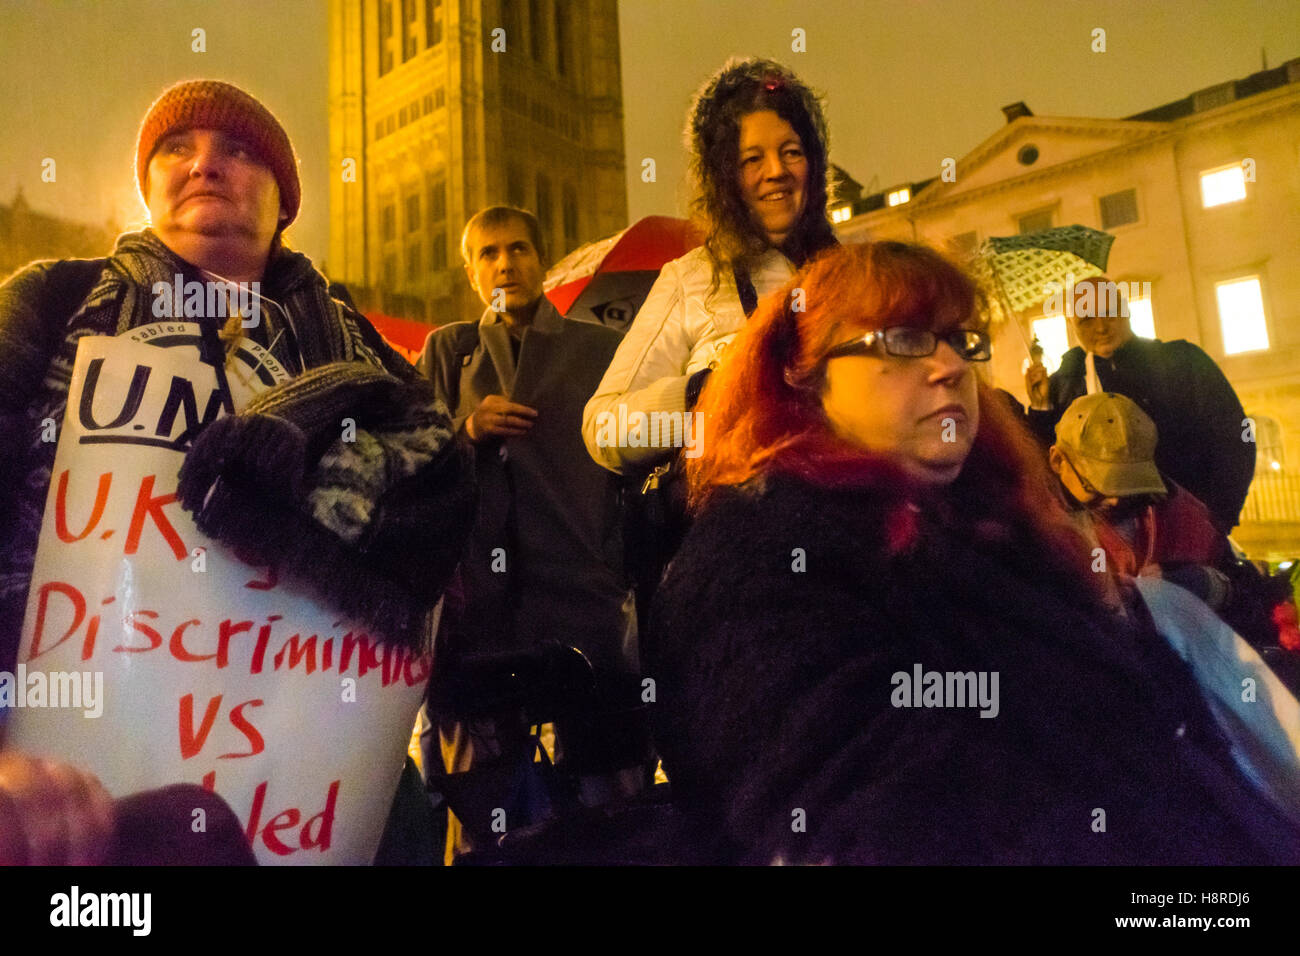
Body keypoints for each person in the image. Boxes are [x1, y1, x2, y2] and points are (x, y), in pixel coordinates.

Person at [645, 240, 1300, 865]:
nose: (952, 365)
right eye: (904, 340)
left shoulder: (989, 525)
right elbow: (884, 821)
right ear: (806, 377)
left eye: (961, 340)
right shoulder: (763, 560)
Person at [0, 79, 473, 863]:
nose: (206, 164)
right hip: (69, 789)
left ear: (284, 199)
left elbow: (441, 576)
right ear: (146, 186)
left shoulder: (373, 362)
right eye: (176, 148)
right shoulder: (51, 301)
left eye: (240, 150)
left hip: (334, 792)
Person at [418, 206, 645, 863]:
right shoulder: (449, 352)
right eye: (488, 253)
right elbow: (415, 465)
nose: (505, 263)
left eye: (519, 248)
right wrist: (466, 430)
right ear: (470, 271)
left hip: (586, 607)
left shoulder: (601, 350)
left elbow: (629, 469)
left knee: (614, 805)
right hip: (483, 622)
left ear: (541, 260)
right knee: (494, 825)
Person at [582, 57, 838, 476]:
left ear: (814, 163)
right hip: (742, 526)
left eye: (791, 152)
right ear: (724, 179)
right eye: (752, 159)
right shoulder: (690, 279)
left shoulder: (859, 274)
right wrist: (705, 395)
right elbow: (604, 429)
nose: (776, 172)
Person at [1024, 276, 1253, 533]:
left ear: (1126, 310)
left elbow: (1236, 438)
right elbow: (1049, 462)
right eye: (1087, 319)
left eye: (1109, 313)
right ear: (1071, 324)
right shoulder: (1062, 385)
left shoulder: (1184, 364)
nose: (1101, 327)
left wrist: (1218, 518)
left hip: (1186, 527)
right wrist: (1041, 407)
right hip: (1106, 544)